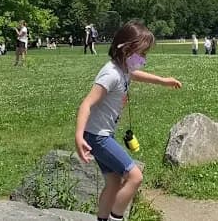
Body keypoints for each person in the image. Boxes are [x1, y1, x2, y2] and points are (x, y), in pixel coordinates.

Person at [75, 21, 182, 221]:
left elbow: (136, 74)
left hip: (102, 134)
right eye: (141, 54)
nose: (143, 59)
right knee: (135, 176)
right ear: (125, 49)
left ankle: (103, 218)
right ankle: (117, 218)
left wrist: (162, 80)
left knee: (114, 182)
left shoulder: (122, 68)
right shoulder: (110, 74)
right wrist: (79, 136)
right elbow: (86, 104)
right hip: (98, 137)